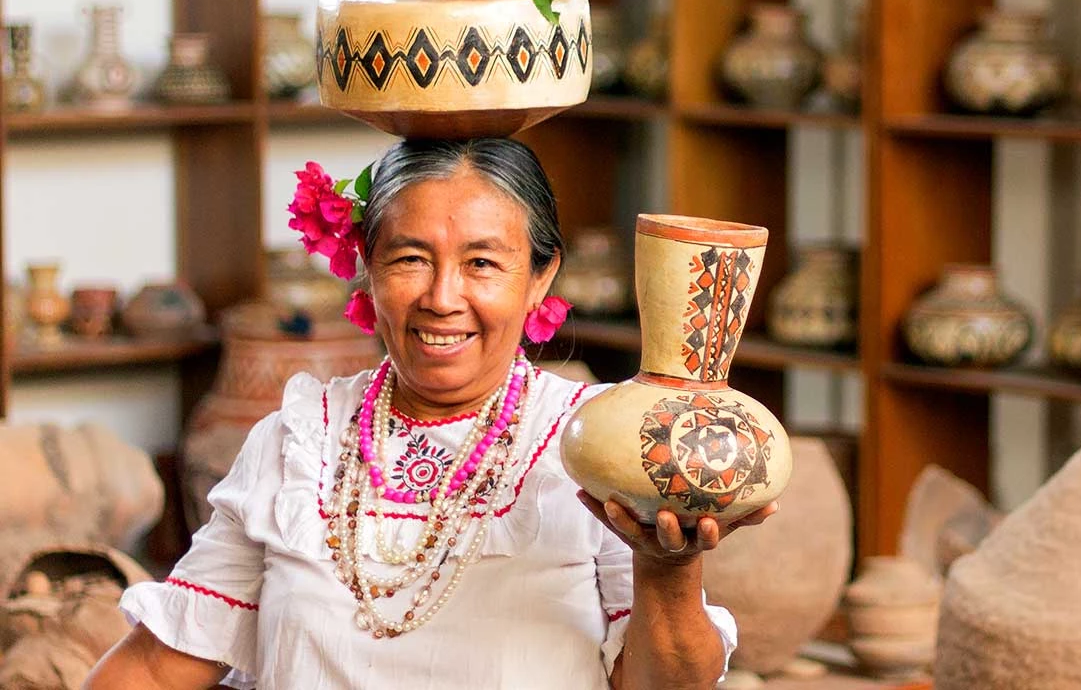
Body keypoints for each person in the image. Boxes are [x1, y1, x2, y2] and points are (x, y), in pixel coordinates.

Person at [85, 138, 773, 689]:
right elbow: (156, 666)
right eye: (410, 258)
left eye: (482, 264)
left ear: (541, 277)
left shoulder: (602, 449)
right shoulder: (298, 440)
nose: (443, 298)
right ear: (367, 266)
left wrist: (667, 571)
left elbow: (668, 687)